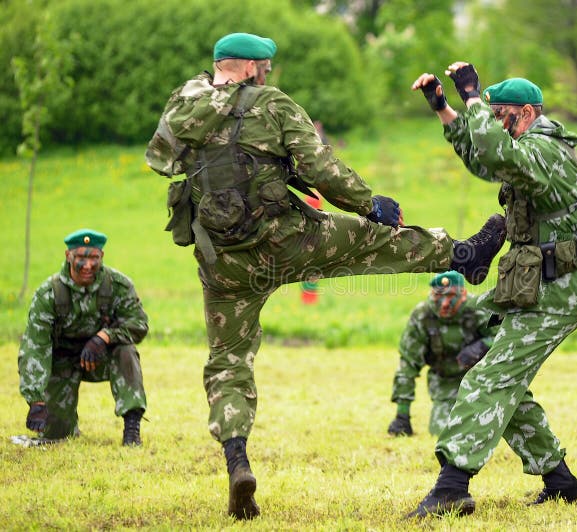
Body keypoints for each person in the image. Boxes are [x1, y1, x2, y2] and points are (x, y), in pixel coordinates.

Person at [145, 33, 507, 520]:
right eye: (264, 67)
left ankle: (237, 460)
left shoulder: (182, 105)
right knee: (371, 241)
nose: (268, 74)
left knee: (228, 360)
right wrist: (369, 204)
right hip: (285, 240)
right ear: (249, 68)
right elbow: (319, 167)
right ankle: (463, 256)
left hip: (222, 256)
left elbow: (160, 161)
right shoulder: (272, 104)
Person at [405, 63, 577, 518]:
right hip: (530, 289)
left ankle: (452, 487)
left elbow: (496, 153)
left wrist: (473, 96)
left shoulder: (546, 151)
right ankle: (561, 482)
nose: (494, 124)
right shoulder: (524, 150)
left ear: (527, 113)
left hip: (555, 296)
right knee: (499, 375)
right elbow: (484, 157)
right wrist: (445, 111)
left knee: (489, 379)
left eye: (501, 116)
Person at [18, 229, 149, 447]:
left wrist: (104, 337)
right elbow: (35, 347)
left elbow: (139, 324)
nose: (88, 265)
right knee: (57, 435)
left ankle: (132, 429)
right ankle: (63, 423)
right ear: (68, 256)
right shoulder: (49, 294)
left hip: (99, 358)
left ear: (102, 256)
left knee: (126, 351)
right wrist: (36, 399)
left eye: (94, 258)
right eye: (81, 257)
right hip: (62, 362)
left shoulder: (118, 286)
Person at [388, 271, 497, 437]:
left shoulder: (478, 309)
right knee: (443, 432)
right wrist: (402, 415)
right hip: (445, 383)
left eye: (451, 296)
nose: (444, 303)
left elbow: (505, 338)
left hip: (480, 380)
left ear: (463, 294)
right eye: (438, 296)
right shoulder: (422, 315)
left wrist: (482, 346)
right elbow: (408, 364)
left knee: (482, 427)